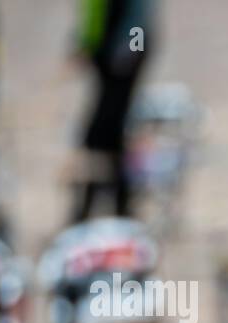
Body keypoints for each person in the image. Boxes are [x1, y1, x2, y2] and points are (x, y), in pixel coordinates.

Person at [73, 0, 155, 221]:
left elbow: (140, 15)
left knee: (106, 133)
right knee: (102, 134)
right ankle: (98, 207)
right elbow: (93, 11)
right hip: (107, 53)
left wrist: (130, 46)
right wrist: (83, 43)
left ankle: (113, 208)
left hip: (124, 54)